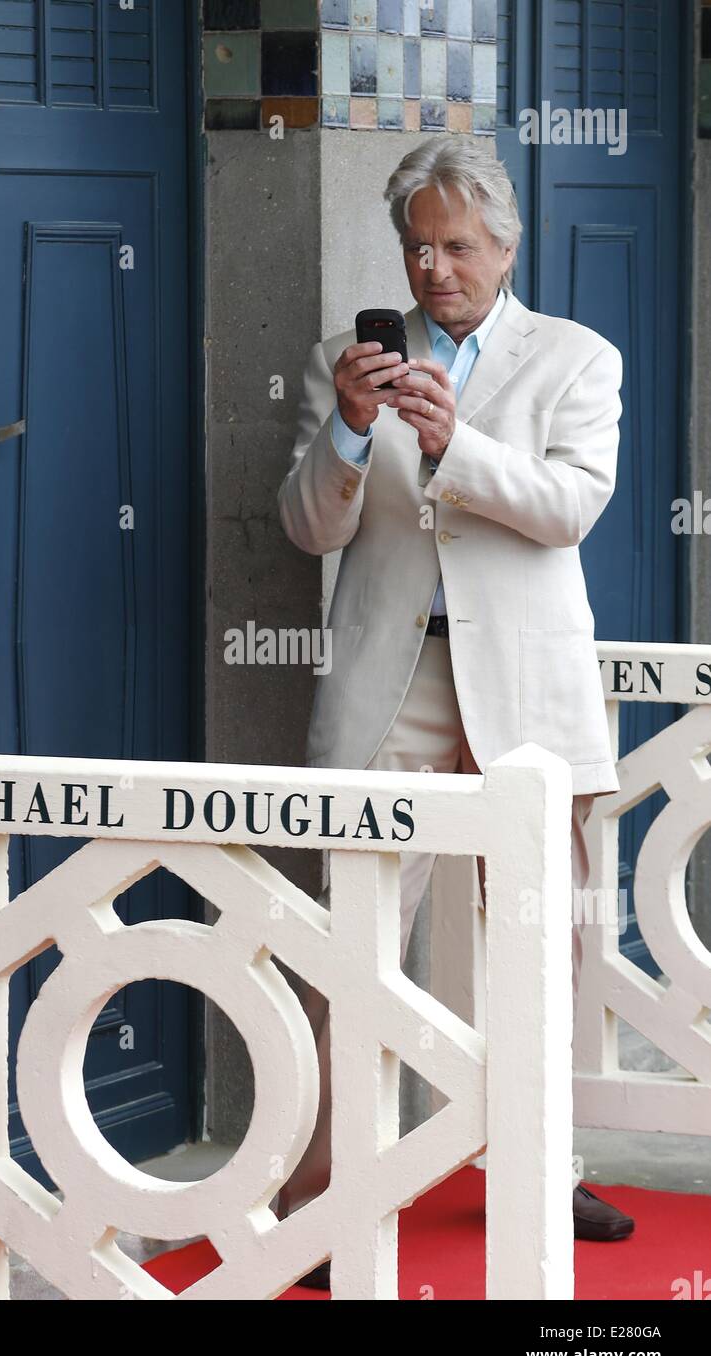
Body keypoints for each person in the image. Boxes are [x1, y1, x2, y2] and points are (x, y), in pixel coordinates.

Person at [276, 137, 634, 1292]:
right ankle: (320, 1192)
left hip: (525, 690)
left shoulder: (574, 359)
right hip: (392, 681)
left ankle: (544, 1162)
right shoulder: (349, 358)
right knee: (349, 941)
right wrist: (343, 428)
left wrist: (449, 442)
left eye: (457, 246)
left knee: (547, 940)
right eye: (416, 246)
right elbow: (307, 528)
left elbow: (569, 508)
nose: (434, 269)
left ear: (505, 246)